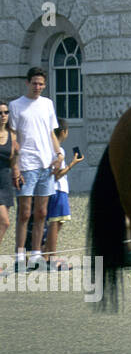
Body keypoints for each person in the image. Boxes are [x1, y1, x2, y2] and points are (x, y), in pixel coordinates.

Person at [9, 67, 62, 271]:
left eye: (41, 84)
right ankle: (20, 254)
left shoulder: (47, 104)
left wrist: (59, 154)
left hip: (46, 165)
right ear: (27, 83)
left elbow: (51, 133)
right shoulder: (16, 106)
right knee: (24, 212)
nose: (38, 87)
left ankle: (36, 255)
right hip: (26, 165)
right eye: (34, 83)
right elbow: (13, 137)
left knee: (41, 212)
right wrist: (15, 166)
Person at [39, 120, 82, 271]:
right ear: (64, 131)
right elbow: (57, 175)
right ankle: (51, 257)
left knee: (58, 222)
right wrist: (72, 164)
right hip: (58, 190)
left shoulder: (49, 148)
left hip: (54, 191)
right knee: (56, 222)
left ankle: (45, 252)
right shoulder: (59, 151)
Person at [0, 101, 17, 265]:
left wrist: (17, 156)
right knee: (5, 222)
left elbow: (12, 161)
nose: (3, 116)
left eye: (6, 112)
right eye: (0, 113)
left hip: (6, 180)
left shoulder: (12, 135)